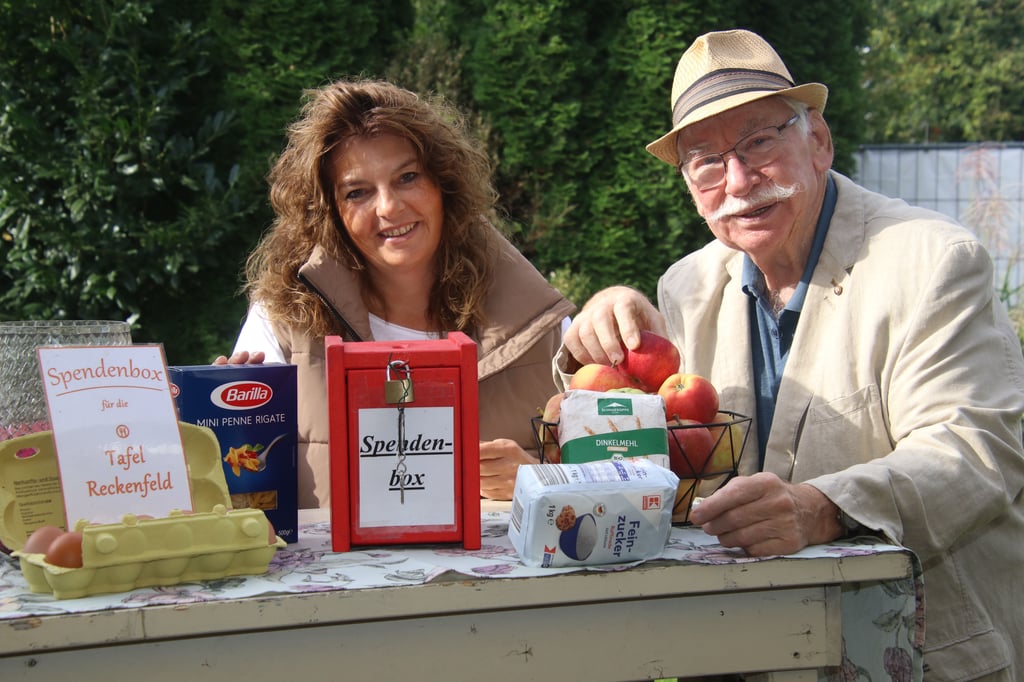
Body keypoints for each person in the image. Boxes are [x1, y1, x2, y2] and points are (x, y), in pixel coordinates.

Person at [555, 30, 1024, 681]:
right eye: (706, 161)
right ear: (690, 183)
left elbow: (973, 451)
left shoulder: (930, 261)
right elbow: (674, 445)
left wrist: (821, 508)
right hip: (751, 653)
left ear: (819, 142)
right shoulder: (688, 285)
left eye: (759, 142)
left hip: (917, 658)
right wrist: (598, 339)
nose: (739, 181)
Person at [218, 78, 574, 508]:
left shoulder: (536, 318)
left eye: (407, 177)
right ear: (329, 212)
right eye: (357, 192)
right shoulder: (282, 317)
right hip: (341, 575)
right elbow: (243, 494)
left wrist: (540, 477)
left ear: (443, 183)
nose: (388, 207)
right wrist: (224, 425)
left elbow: (606, 472)